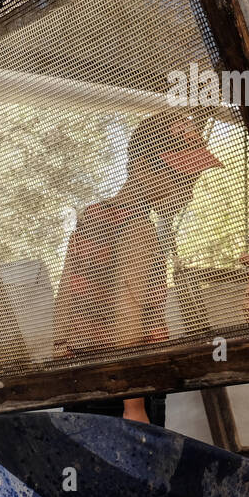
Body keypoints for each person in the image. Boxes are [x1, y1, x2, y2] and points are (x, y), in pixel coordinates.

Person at [56, 110, 222, 426]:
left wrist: (63, 358)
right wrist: (134, 407)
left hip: (86, 375)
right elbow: (128, 323)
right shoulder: (139, 230)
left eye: (192, 181)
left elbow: (64, 302)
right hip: (128, 388)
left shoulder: (92, 217)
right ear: (144, 168)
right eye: (182, 180)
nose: (189, 191)